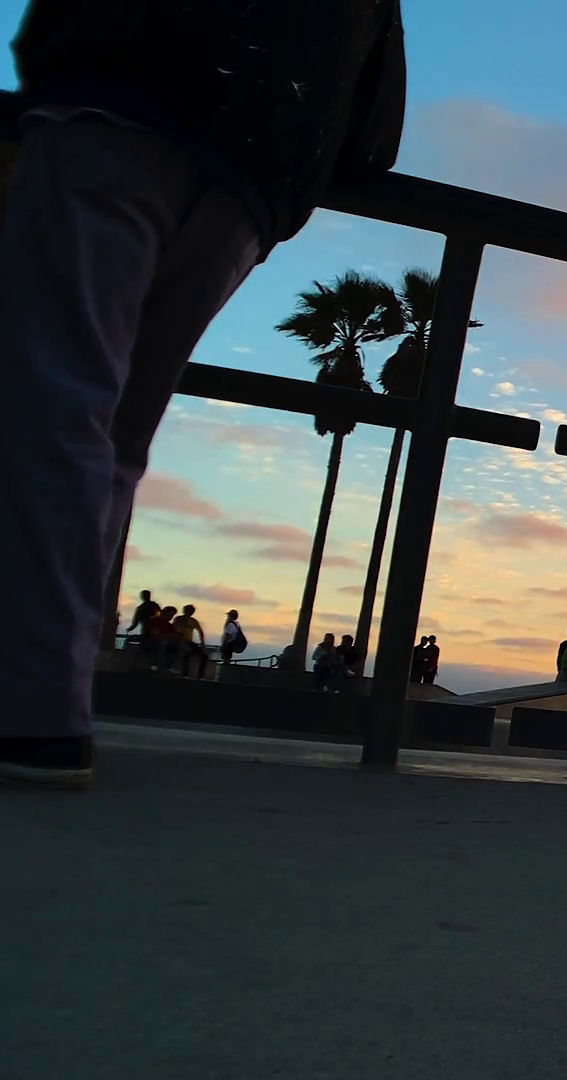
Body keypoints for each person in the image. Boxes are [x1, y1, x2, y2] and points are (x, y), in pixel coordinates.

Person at [0, 0, 408, 789]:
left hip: (117, 105)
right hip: (252, 179)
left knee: (55, 402)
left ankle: (34, 710)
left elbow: (51, 24)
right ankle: (46, 703)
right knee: (113, 438)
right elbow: (374, 120)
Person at [172, 603, 207, 679]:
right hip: (178, 641)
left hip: (188, 642)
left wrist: (202, 643)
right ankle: (185, 674)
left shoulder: (193, 621)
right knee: (186, 653)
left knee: (204, 655)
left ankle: (200, 676)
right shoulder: (178, 619)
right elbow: (172, 629)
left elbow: (200, 632)